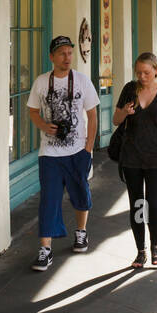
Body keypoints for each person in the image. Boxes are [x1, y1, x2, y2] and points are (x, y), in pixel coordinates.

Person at [27, 35, 99, 271]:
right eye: (62, 54)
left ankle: (81, 232)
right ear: (52, 57)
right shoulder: (40, 82)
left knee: (80, 193)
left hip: (77, 150)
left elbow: (92, 115)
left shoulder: (82, 81)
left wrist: (88, 148)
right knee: (49, 199)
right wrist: (44, 126)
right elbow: (32, 111)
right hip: (49, 153)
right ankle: (45, 250)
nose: (67, 57)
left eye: (70, 53)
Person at [113, 52, 157, 269]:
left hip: (156, 155)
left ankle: (155, 246)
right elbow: (115, 120)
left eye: (146, 72)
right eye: (138, 72)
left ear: (156, 70)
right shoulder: (130, 89)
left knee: (153, 203)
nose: (142, 76)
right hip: (131, 155)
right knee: (137, 204)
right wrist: (125, 112)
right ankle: (140, 250)